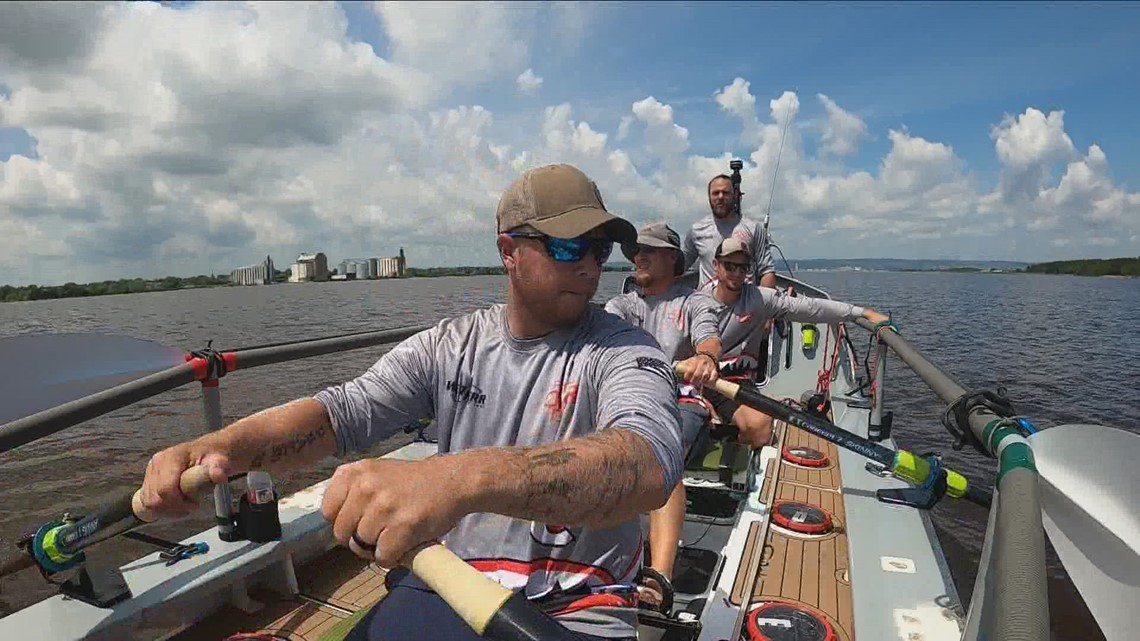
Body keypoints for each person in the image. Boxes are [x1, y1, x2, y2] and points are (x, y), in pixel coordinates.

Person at [137, 164, 686, 641]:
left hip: (580, 606)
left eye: (599, 249)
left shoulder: (626, 350)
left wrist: (457, 479)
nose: (589, 266)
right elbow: (340, 413)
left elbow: (647, 462)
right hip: (450, 580)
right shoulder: (450, 346)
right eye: (567, 247)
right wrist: (220, 448)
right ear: (508, 252)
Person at [603, 222, 722, 612]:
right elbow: (604, 334)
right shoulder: (623, 306)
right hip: (628, 399)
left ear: (672, 258)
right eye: (636, 250)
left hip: (680, 400)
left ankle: (658, 579)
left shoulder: (694, 303)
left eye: (649, 250)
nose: (639, 256)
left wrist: (705, 357)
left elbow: (708, 337)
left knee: (660, 460)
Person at [700, 238, 891, 447]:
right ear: (716, 265)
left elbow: (810, 308)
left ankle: (730, 441)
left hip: (735, 382)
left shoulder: (759, 299)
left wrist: (862, 313)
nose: (737, 273)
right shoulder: (696, 303)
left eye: (743, 267)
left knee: (761, 429)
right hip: (699, 379)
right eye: (729, 266)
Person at [683, 173, 777, 290]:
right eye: (716, 193)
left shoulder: (754, 229)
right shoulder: (696, 231)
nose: (720, 197)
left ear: (735, 195)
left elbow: (767, 271)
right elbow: (680, 267)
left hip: (744, 299)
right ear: (709, 197)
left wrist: (762, 300)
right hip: (706, 299)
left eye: (725, 193)